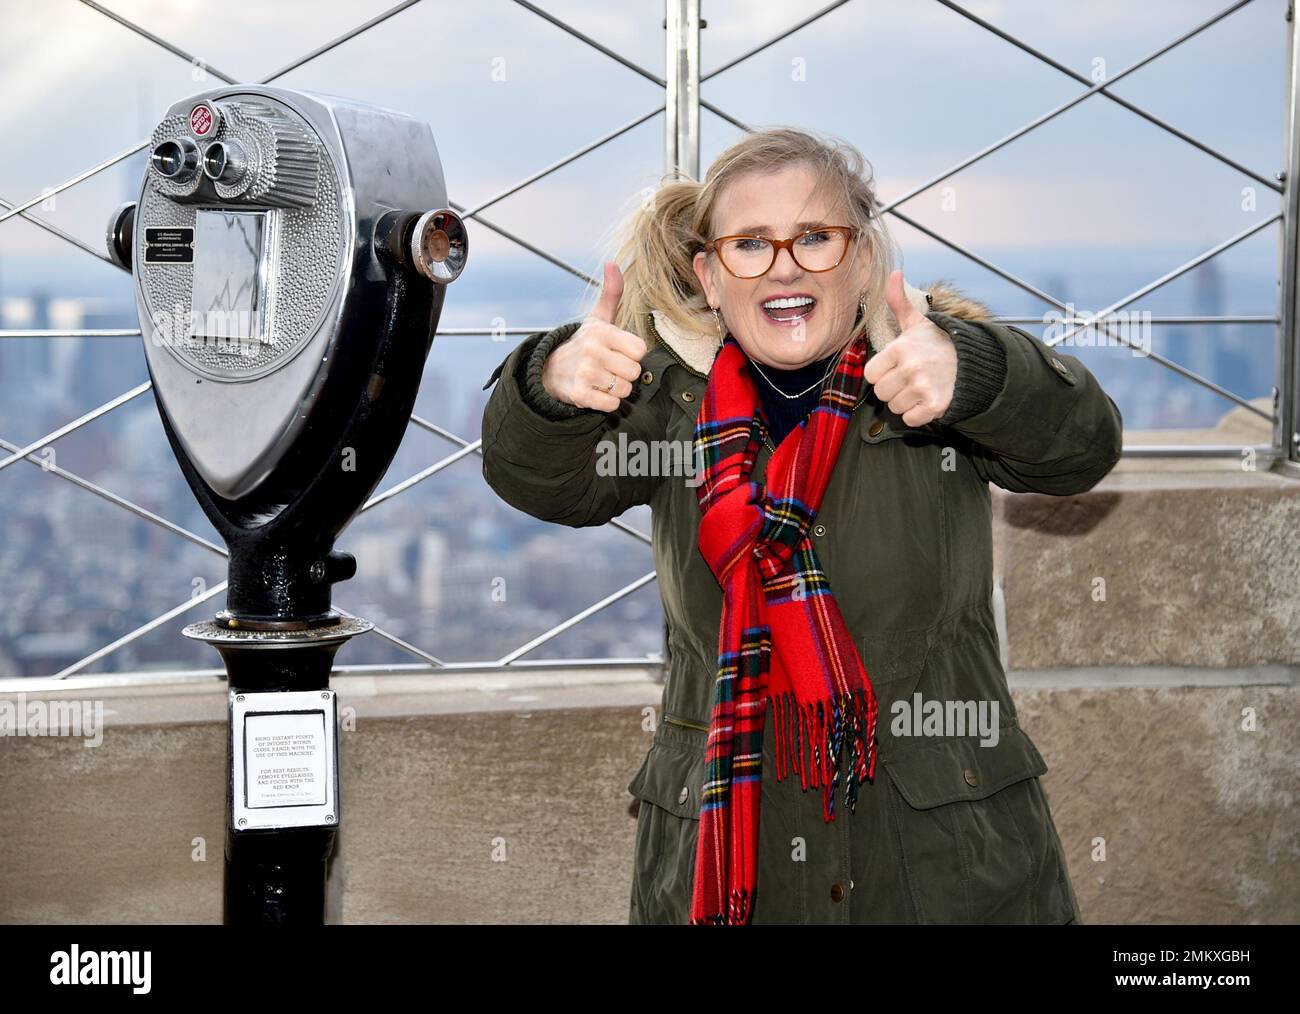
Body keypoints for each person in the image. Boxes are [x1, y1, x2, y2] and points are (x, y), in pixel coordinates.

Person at [480, 127, 1122, 924]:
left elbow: (1081, 449)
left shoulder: (927, 370)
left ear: (860, 258)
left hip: (940, 868)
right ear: (709, 277)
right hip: (730, 860)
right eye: (751, 243)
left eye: (815, 237)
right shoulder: (668, 405)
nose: (784, 265)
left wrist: (981, 379)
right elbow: (540, 483)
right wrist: (549, 385)